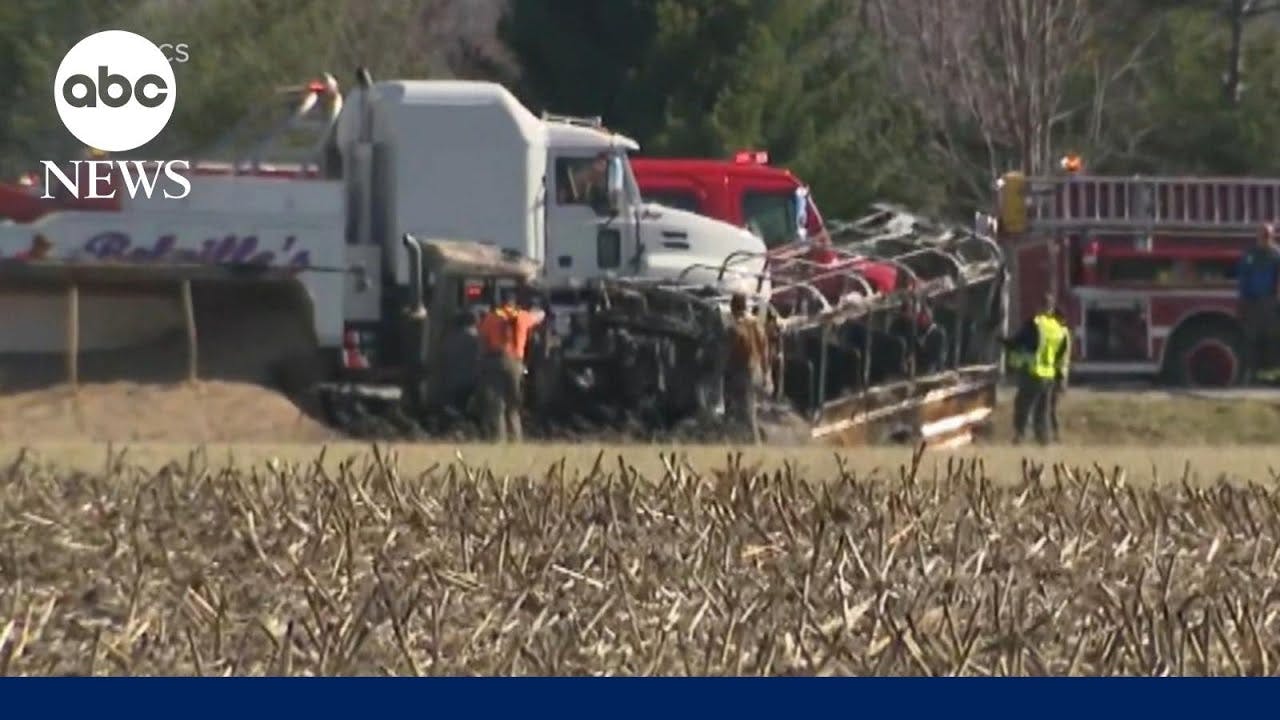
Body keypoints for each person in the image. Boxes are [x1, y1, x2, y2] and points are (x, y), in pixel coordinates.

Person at [476, 286, 545, 442]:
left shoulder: (491, 317)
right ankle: (516, 440)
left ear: (501, 302)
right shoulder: (523, 317)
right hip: (516, 364)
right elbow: (539, 317)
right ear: (514, 302)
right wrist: (539, 308)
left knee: (497, 405)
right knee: (513, 407)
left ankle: (498, 440)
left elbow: (482, 340)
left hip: (494, 362)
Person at [1002, 294, 1069, 445]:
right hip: (1049, 376)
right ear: (1051, 309)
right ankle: (1043, 441)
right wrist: (1061, 377)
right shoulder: (1057, 329)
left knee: (1022, 406)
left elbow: (1017, 343)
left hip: (1032, 373)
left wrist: (1002, 341)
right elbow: (1061, 354)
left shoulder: (1034, 324)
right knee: (1042, 411)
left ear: (1039, 307)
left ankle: (1020, 436)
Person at [722, 291, 770, 443]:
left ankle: (735, 441)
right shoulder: (756, 324)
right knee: (750, 412)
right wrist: (766, 374)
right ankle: (753, 442)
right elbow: (764, 350)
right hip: (755, 371)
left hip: (739, 372)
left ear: (733, 306)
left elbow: (729, 352)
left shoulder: (735, 327)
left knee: (734, 411)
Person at [1237, 223, 1280, 384]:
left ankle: (1274, 376)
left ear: (1273, 236)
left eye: (1268, 235)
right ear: (1257, 236)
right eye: (1262, 235)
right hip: (1252, 302)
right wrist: (1243, 300)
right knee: (1252, 339)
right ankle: (1252, 375)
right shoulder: (1250, 255)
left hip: (1271, 303)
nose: (1265, 238)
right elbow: (1243, 278)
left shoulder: (1277, 255)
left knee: (1273, 340)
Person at [437, 309, 482, 416]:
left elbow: (443, 357)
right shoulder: (476, 339)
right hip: (470, 381)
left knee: (454, 408)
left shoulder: (449, 338)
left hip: (451, 381)